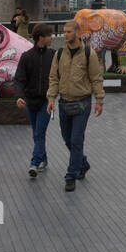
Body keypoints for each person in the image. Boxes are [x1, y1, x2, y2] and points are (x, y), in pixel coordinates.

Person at [47, 20, 106, 191]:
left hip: (82, 104)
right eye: (64, 32)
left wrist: (99, 100)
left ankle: (71, 175)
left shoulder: (89, 54)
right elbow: (53, 78)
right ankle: (83, 163)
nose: (65, 35)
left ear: (77, 33)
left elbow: (96, 78)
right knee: (67, 139)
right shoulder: (59, 54)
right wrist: (51, 98)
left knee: (76, 139)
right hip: (64, 102)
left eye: (68, 32)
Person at [14, 25, 55, 178]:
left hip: (46, 101)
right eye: (49, 35)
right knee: (36, 133)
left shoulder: (53, 55)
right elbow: (19, 79)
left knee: (39, 132)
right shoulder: (26, 57)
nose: (52, 38)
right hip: (30, 102)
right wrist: (18, 96)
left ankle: (34, 163)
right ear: (40, 38)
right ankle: (43, 158)